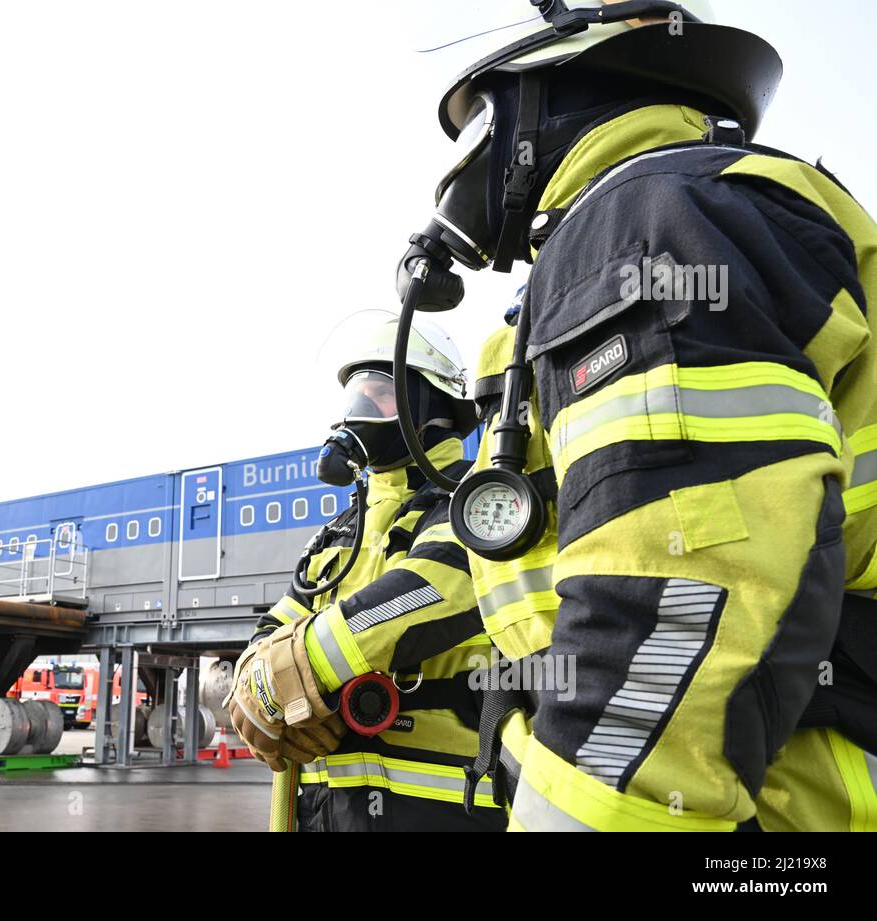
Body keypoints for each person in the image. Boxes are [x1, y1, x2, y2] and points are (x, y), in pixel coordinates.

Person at [387, 0, 877, 830]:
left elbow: (679, 590)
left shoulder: (642, 225)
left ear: (549, 91)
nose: (467, 163)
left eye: (481, 121)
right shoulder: (674, 213)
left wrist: (586, 814)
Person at [228, 316, 507, 831]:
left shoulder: (478, 501)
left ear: (431, 408)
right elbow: (268, 633)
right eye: (355, 395)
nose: (357, 411)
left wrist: (297, 669)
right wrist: (253, 682)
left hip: (443, 812)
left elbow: (437, 587)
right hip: (325, 815)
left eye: (378, 393)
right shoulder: (338, 535)